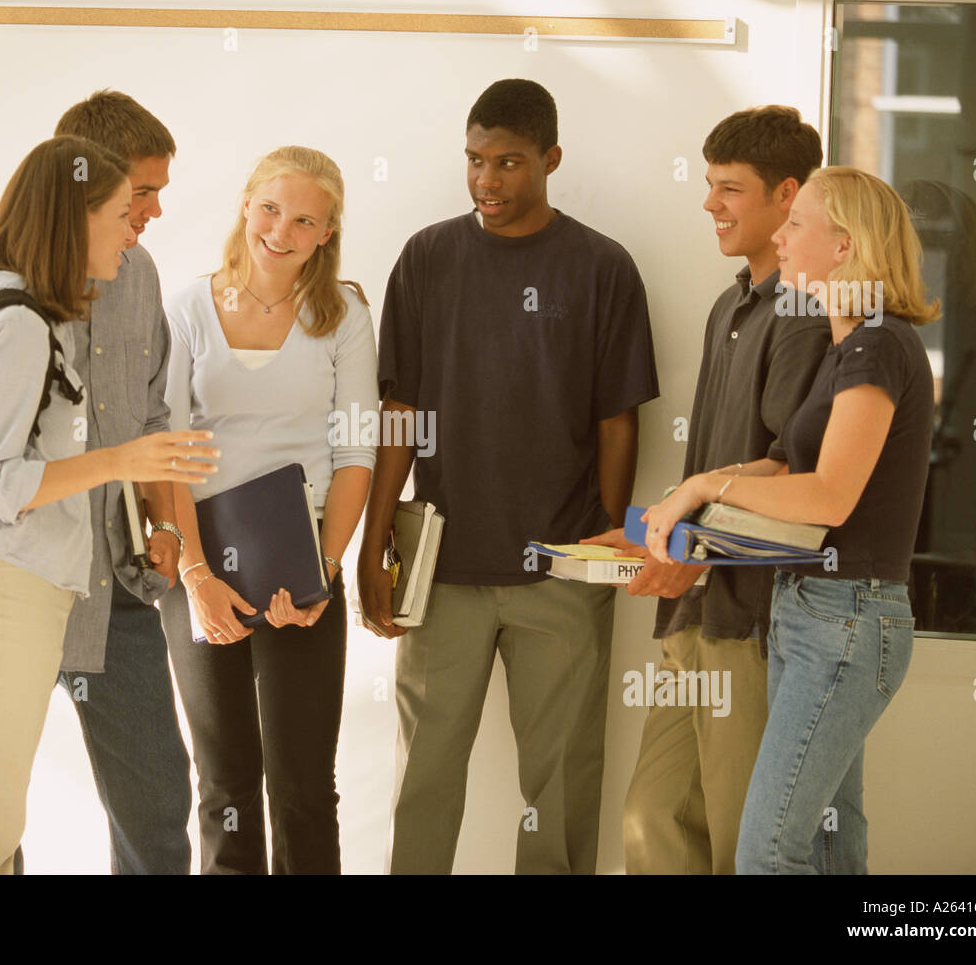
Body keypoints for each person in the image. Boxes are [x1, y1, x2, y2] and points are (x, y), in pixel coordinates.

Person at [358, 79, 659, 875]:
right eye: (474, 160)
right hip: (444, 567)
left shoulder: (602, 267)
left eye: (508, 163)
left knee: (559, 789)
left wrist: (610, 536)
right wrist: (372, 539)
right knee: (423, 776)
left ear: (551, 159)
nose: (486, 180)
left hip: (563, 568)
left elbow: (618, 419)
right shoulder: (427, 258)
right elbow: (400, 410)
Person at [0, 91, 201, 875]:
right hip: (7, 584)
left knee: (157, 807)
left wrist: (166, 530)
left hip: (116, 587)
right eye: (141, 193)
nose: (155, 212)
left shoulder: (137, 277)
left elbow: (152, 416)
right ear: (84, 184)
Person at [641, 166, 941, 874]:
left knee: (768, 854)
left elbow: (829, 496)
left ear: (845, 246)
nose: (780, 234)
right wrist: (687, 494)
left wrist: (708, 484)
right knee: (835, 846)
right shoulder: (850, 348)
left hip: (844, 620)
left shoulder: (875, 344)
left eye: (797, 222)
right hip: (817, 616)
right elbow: (784, 468)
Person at [587, 106, 828, 874]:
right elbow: (717, 464)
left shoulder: (803, 313)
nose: (709, 205)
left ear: (787, 195)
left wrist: (688, 539)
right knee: (651, 820)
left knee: (739, 840)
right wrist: (651, 526)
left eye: (729, 189)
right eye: (708, 185)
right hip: (689, 607)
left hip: (752, 618)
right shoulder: (732, 305)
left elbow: (789, 472)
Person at [163, 145, 378, 874]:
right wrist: (196, 575)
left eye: (304, 219)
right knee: (224, 785)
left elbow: (355, 455)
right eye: (269, 208)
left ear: (327, 232)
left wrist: (321, 570)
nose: (281, 230)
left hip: (303, 560)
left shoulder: (344, 316)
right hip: (201, 563)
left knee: (303, 788)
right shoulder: (188, 308)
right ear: (245, 205)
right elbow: (164, 454)